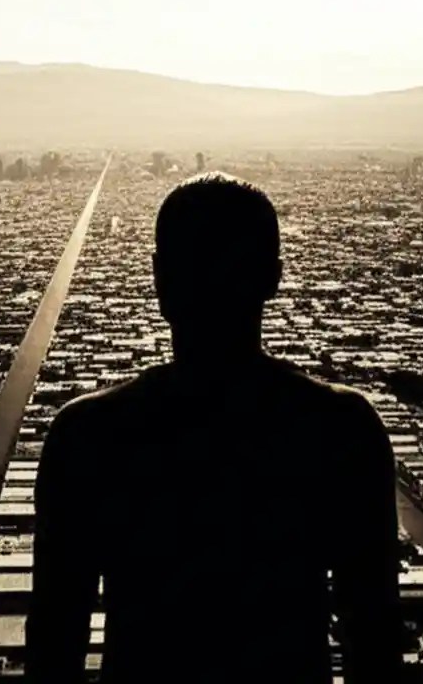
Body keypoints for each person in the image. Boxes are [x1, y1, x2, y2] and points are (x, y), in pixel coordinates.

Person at [26, 173, 402, 683]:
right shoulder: (342, 431)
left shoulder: (87, 436)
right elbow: (374, 640)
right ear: (274, 277)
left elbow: (54, 646)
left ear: (159, 280)